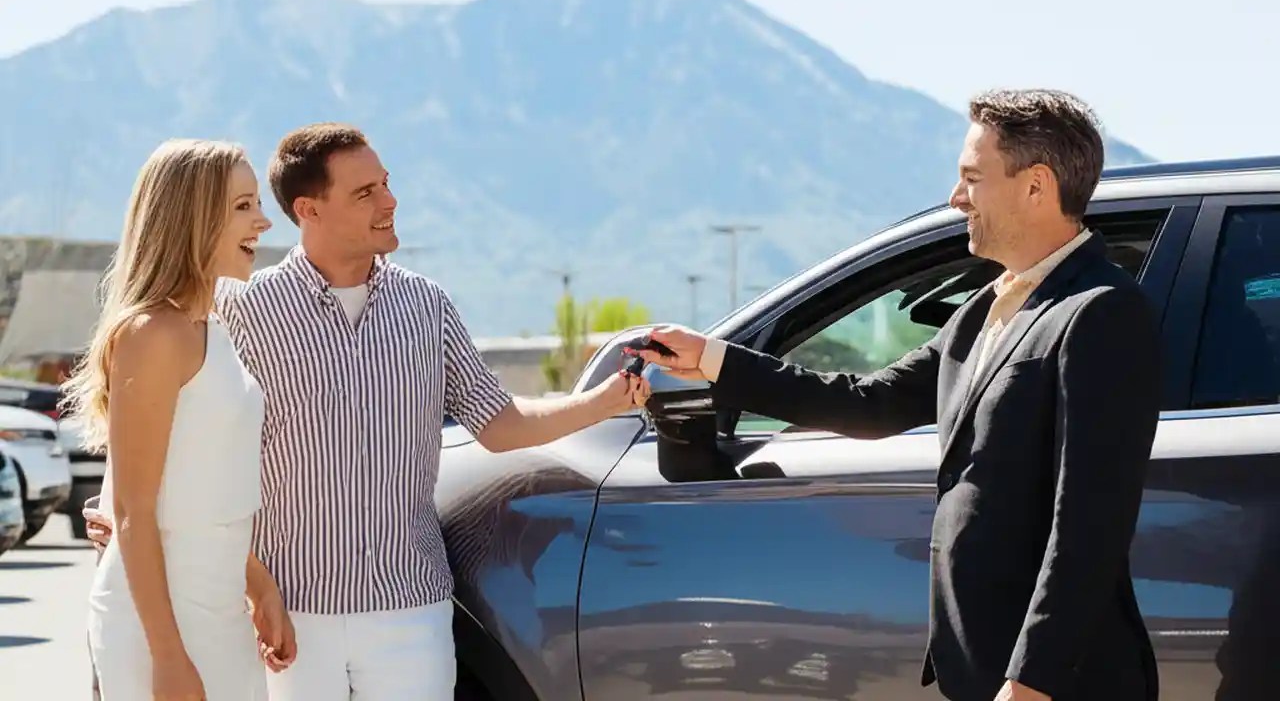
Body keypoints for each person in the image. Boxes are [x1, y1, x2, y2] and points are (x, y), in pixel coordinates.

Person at [628, 89, 1161, 701]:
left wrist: (1031, 680)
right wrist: (713, 359)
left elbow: (1089, 526)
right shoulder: (982, 312)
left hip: (1057, 683)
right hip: (980, 665)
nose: (956, 198)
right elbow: (869, 402)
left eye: (971, 178)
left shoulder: (1101, 313)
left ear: (1035, 186)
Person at [86, 122, 649, 700]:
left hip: (408, 606)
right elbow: (167, 425)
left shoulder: (427, 306)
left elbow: (501, 423)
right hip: (288, 611)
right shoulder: (236, 308)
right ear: (309, 209)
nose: (390, 201)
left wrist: (602, 402)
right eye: (365, 192)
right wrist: (122, 512)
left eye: (386, 184)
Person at [65, 139, 293, 700]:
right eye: (243, 206)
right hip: (160, 629)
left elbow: (196, 492)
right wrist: (166, 658)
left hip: (216, 612)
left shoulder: (209, 328)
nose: (263, 221)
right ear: (192, 216)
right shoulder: (153, 335)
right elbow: (134, 512)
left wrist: (258, 584)